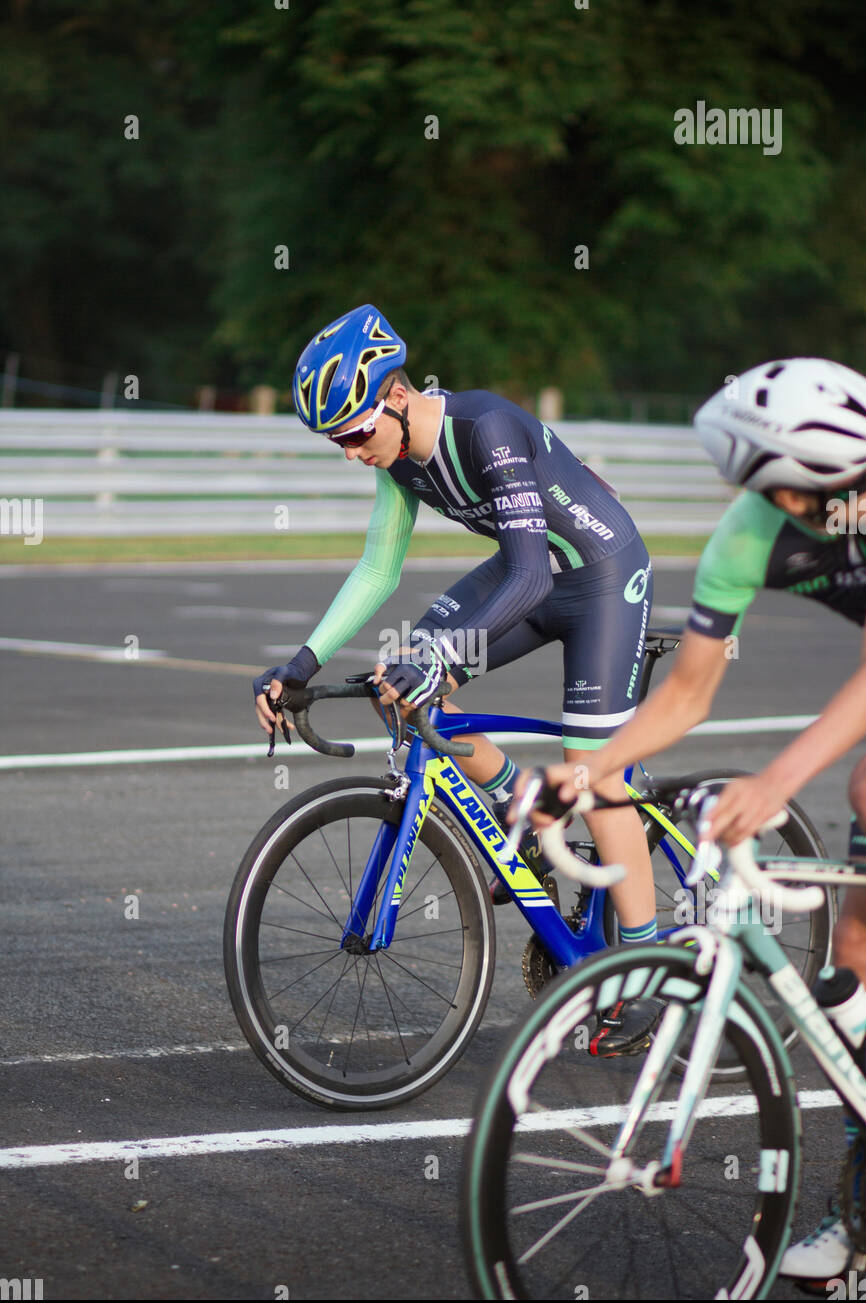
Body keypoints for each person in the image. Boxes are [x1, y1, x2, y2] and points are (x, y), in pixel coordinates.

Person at [520, 355, 866, 1278]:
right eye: (773, 495)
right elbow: (687, 695)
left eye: (805, 494)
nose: (791, 513)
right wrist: (581, 772)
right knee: (853, 985)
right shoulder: (748, 534)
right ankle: (861, 1215)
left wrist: (777, 781)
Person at [253, 302, 660, 1054]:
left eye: (353, 433)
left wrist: (437, 652)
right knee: (397, 685)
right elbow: (379, 565)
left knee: (596, 775)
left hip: (599, 579)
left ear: (397, 398)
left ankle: (646, 967)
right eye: (335, 441)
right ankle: (524, 819)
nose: (349, 452)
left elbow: (534, 574)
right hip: (527, 577)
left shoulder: (484, 428)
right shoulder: (399, 455)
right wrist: (302, 663)